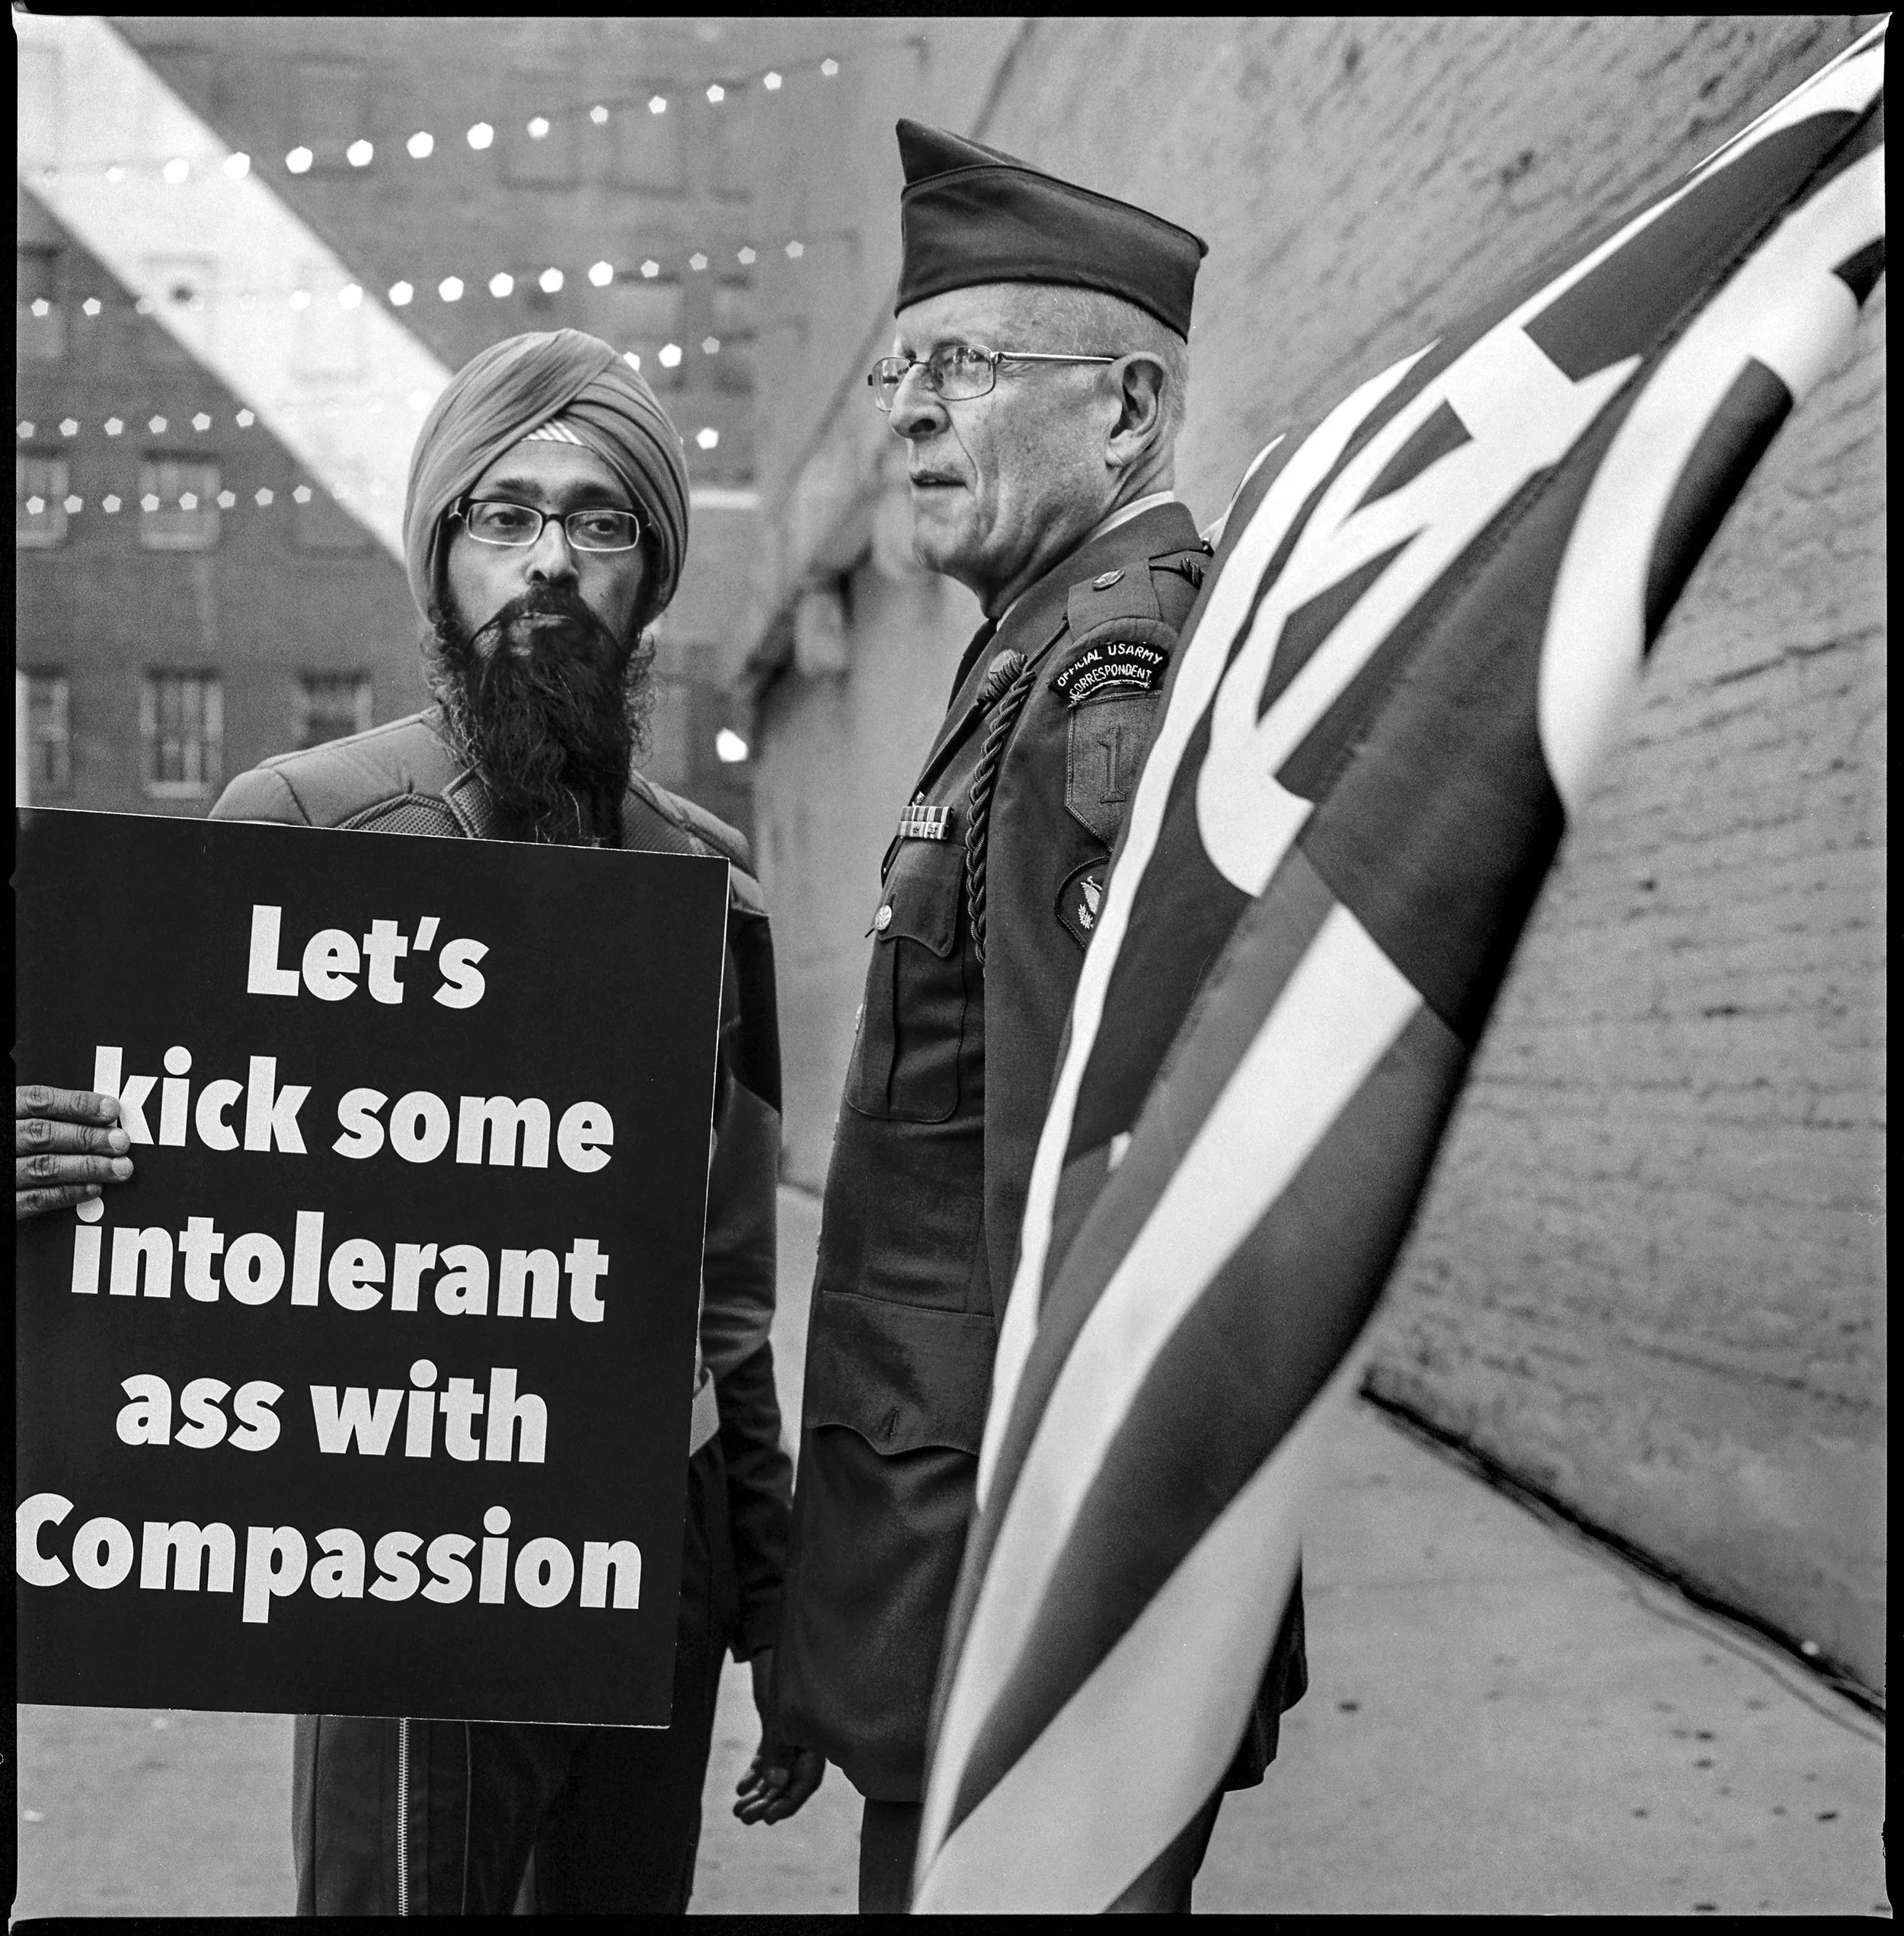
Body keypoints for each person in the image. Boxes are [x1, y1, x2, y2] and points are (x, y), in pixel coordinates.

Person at [14, 327, 822, 1914]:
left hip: (648, 1543)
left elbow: (723, 1277)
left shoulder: (707, 879)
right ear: (438, 548)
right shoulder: (304, 824)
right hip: (403, 1548)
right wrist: (44, 1165)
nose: (547, 559)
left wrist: (769, 1577)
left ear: (650, 568)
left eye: (598, 520)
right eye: (501, 513)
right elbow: (176, 1211)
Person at [769, 123, 1309, 1915]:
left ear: (1130, 414)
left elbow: (1089, 1195)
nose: (909, 412)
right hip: (950, 1571)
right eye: (902, 370)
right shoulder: (1032, 639)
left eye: (969, 367)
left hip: (1015, 1593)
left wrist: (1070, 1646)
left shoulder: (1105, 672)